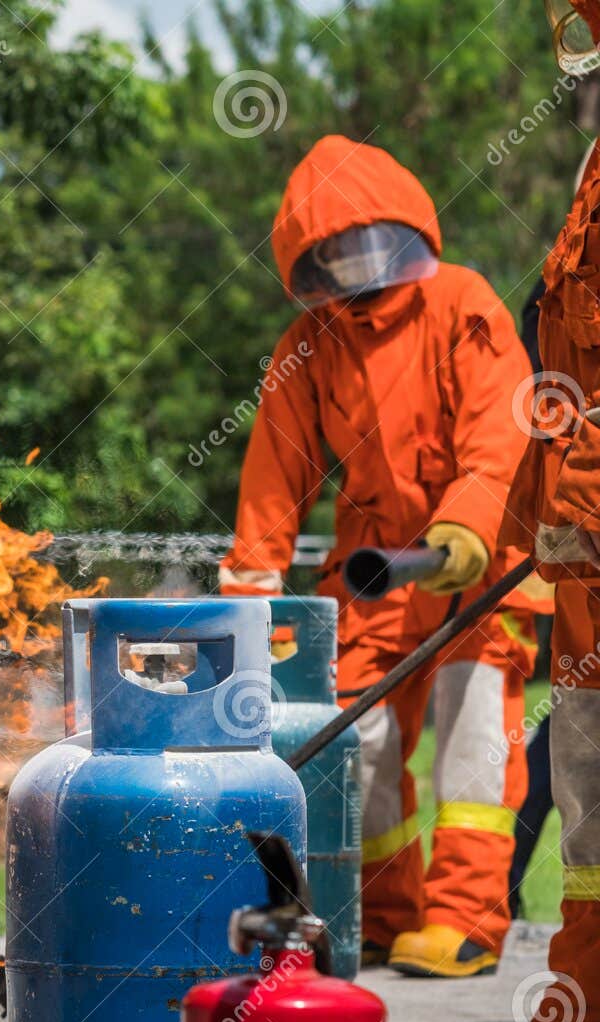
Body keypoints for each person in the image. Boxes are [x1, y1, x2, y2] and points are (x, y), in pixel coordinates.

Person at [221, 135, 542, 979]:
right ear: (310, 262)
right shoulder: (308, 344)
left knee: (472, 742)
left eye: (374, 241)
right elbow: (274, 471)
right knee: (355, 750)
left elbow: (499, 436)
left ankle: (466, 919)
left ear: (411, 229)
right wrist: (253, 588)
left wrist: (467, 530)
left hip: (476, 562)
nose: (363, 265)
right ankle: (384, 914)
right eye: (340, 250)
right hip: (374, 578)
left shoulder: (465, 303)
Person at [448, 0, 600, 1022]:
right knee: (589, 811)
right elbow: (559, 387)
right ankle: (587, 1013)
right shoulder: (593, 184)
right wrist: (497, 536)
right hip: (583, 569)